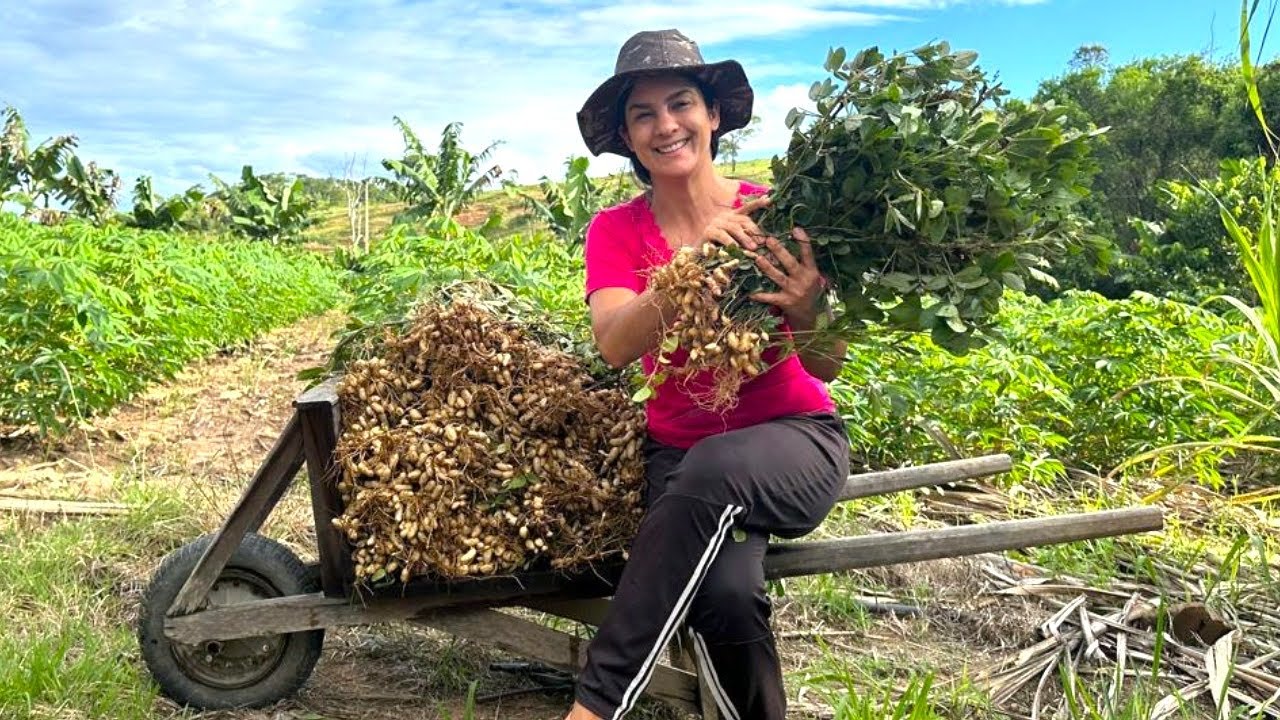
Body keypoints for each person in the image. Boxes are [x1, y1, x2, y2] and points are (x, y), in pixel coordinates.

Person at [568, 29, 851, 720]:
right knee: (724, 594)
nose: (665, 124)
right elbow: (612, 344)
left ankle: (593, 708)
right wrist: (685, 268)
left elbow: (826, 364)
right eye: (644, 114)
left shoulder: (772, 212)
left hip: (794, 441)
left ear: (713, 115)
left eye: (680, 103)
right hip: (684, 459)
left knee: (718, 464)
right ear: (629, 138)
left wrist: (812, 309)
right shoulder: (614, 230)